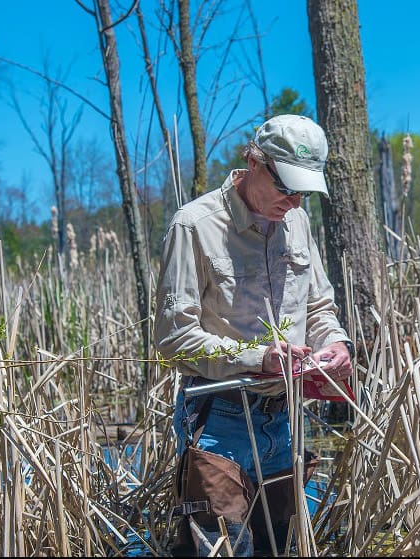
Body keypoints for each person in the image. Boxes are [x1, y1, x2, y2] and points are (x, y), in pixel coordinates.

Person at [153, 114, 354, 556]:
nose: (295, 202)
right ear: (255, 161)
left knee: (283, 547)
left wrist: (335, 344)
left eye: (303, 191)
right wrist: (257, 358)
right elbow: (174, 337)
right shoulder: (195, 226)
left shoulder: (297, 224)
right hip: (218, 417)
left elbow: (319, 306)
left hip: (285, 421)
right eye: (286, 188)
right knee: (224, 549)